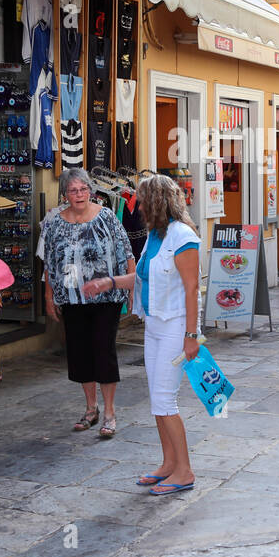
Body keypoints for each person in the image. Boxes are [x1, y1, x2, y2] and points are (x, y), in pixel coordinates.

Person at [83, 174, 201, 496]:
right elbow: (142, 276)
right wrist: (109, 282)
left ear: (158, 201)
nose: (138, 206)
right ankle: (168, 464)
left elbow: (192, 288)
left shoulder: (181, 235)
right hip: (155, 325)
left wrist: (192, 335)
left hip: (177, 327)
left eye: (143, 199)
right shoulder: (155, 235)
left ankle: (185, 471)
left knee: (166, 400)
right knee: (157, 400)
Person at [42, 167, 134, 438]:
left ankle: (109, 412)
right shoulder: (55, 222)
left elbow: (126, 251)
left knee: (103, 350)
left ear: (90, 191)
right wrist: (49, 296)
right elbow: (49, 262)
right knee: (80, 351)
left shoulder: (106, 216)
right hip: (71, 297)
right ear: (65, 194)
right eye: (73, 190)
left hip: (106, 296)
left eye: (83, 189)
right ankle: (90, 408)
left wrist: (130, 287)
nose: (79, 194)